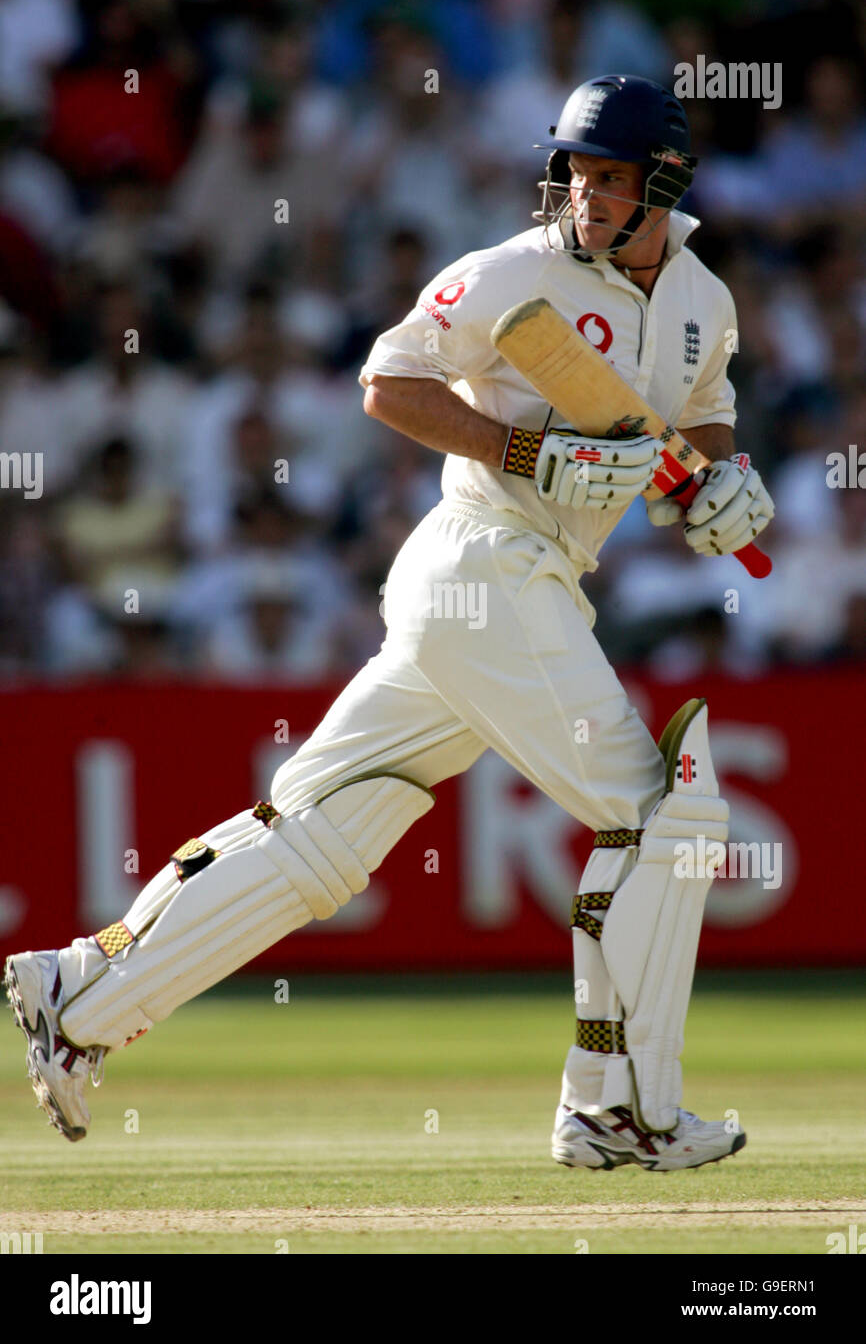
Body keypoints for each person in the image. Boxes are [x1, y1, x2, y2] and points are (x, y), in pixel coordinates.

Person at [5, 76, 773, 1170]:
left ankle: (74, 991)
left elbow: (695, 429)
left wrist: (715, 486)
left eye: (609, 177)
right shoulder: (513, 270)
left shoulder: (704, 300)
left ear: (663, 181)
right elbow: (387, 380)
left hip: (526, 585)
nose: (584, 195)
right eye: (573, 170)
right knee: (660, 817)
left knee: (319, 837)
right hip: (485, 558)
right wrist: (522, 449)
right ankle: (618, 1108)